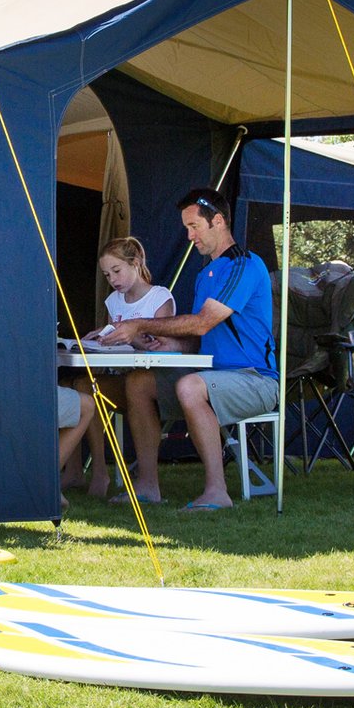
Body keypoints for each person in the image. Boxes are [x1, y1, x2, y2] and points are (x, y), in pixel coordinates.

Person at [100, 187, 279, 510]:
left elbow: (202, 323)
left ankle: (217, 492)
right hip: (211, 376)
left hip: (256, 380)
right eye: (186, 228)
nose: (189, 236)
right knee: (138, 383)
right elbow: (197, 338)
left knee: (189, 386)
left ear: (219, 221)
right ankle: (148, 486)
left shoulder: (244, 265)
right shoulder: (204, 275)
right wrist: (168, 343)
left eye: (194, 227)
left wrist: (141, 325)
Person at [0, 295, 92, 510]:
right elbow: (27, 361)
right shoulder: (11, 304)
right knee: (86, 405)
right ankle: (45, 484)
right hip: (7, 400)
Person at [66, 237, 175, 497]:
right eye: (107, 274)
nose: (113, 279)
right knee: (83, 386)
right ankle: (98, 472)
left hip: (155, 381)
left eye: (117, 271)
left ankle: (147, 482)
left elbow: (164, 346)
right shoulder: (113, 301)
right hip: (124, 377)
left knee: (136, 382)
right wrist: (101, 338)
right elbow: (113, 338)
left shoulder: (160, 297)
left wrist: (133, 336)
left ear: (135, 264)